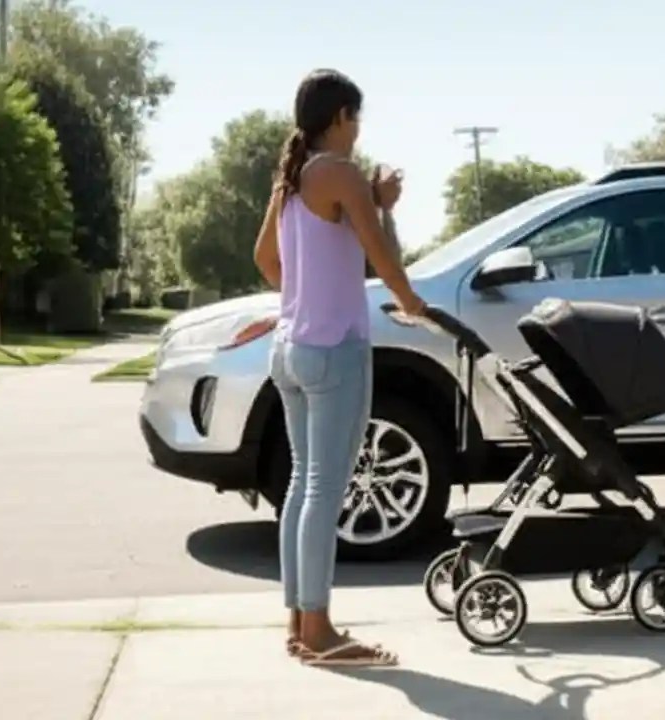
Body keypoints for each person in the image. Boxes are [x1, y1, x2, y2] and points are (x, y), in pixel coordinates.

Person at [252, 68, 426, 667]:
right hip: (334, 351)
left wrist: (305, 293)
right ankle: (321, 633)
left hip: (291, 348)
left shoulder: (293, 179)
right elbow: (379, 251)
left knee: (304, 487)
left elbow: (265, 260)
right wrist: (411, 303)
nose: (358, 131)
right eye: (357, 119)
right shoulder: (341, 172)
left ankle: (301, 624)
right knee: (325, 489)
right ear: (341, 117)